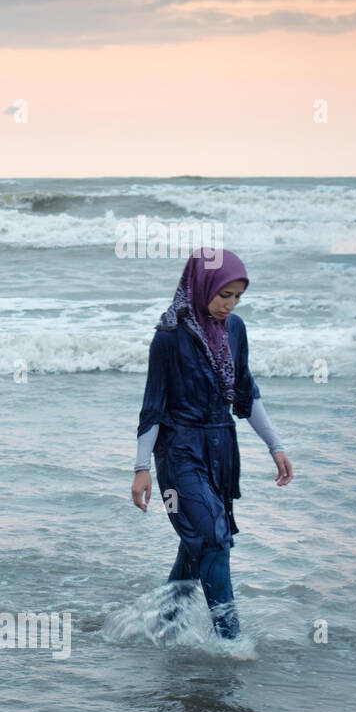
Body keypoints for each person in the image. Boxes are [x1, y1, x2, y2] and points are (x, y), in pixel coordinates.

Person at [131, 249, 292, 643]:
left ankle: (163, 624)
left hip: (221, 450)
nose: (230, 305)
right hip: (177, 452)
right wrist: (140, 468)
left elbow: (245, 394)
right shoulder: (168, 338)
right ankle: (232, 641)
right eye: (224, 295)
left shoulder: (235, 330)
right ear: (202, 286)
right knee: (215, 539)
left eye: (238, 296)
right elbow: (152, 407)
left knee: (198, 543)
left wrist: (276, 446)